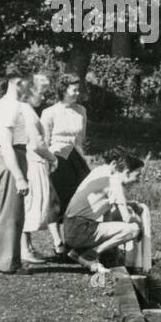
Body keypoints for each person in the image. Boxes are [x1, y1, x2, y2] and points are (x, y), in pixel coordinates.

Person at [63, 147, 146, 273]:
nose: (138, 180)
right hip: (80, 228)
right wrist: (140, 223)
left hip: (70, 227)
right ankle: (90, 254)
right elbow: (127, 218)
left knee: (116, 220)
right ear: (127, 172)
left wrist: (128, 204)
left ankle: (79, 253)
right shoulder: (114, 183)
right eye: (137, 175)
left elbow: (107, 209)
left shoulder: (100, 171)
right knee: (133, 229)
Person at [0, 73, 32, 274]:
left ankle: (11, 260)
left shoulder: (14, 104)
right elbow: (6, 144)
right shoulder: (9, 106)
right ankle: (6, 263)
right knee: (10, 213)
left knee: (16, 212)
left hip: (16, 155)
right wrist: (19, 177)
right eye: (28, 83)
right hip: (10, 157)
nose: (30, 87)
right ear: (18, 82)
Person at [41, 73, 90, 248]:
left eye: (79, 89)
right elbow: (44, 142)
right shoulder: (49, 113)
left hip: (76, 158)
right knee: (56, 201)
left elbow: (81, 139)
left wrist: (84, 160)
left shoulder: (81, 111)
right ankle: (57, 241)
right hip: (57, 159)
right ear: (63, 90)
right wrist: (48, 163)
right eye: (74, 89)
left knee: (78, 199)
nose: (78, 93)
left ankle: (74, 239)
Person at [20, 74, 62, 261]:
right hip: (32, 161)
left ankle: (28, 247)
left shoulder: (28, 110)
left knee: (31, 204)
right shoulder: (27, 112)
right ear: (30, 92)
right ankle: (24, 250)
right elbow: (37, 144)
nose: (43, 98)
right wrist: (52, 158)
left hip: (34, 161)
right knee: (29, 204)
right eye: (41, 93)